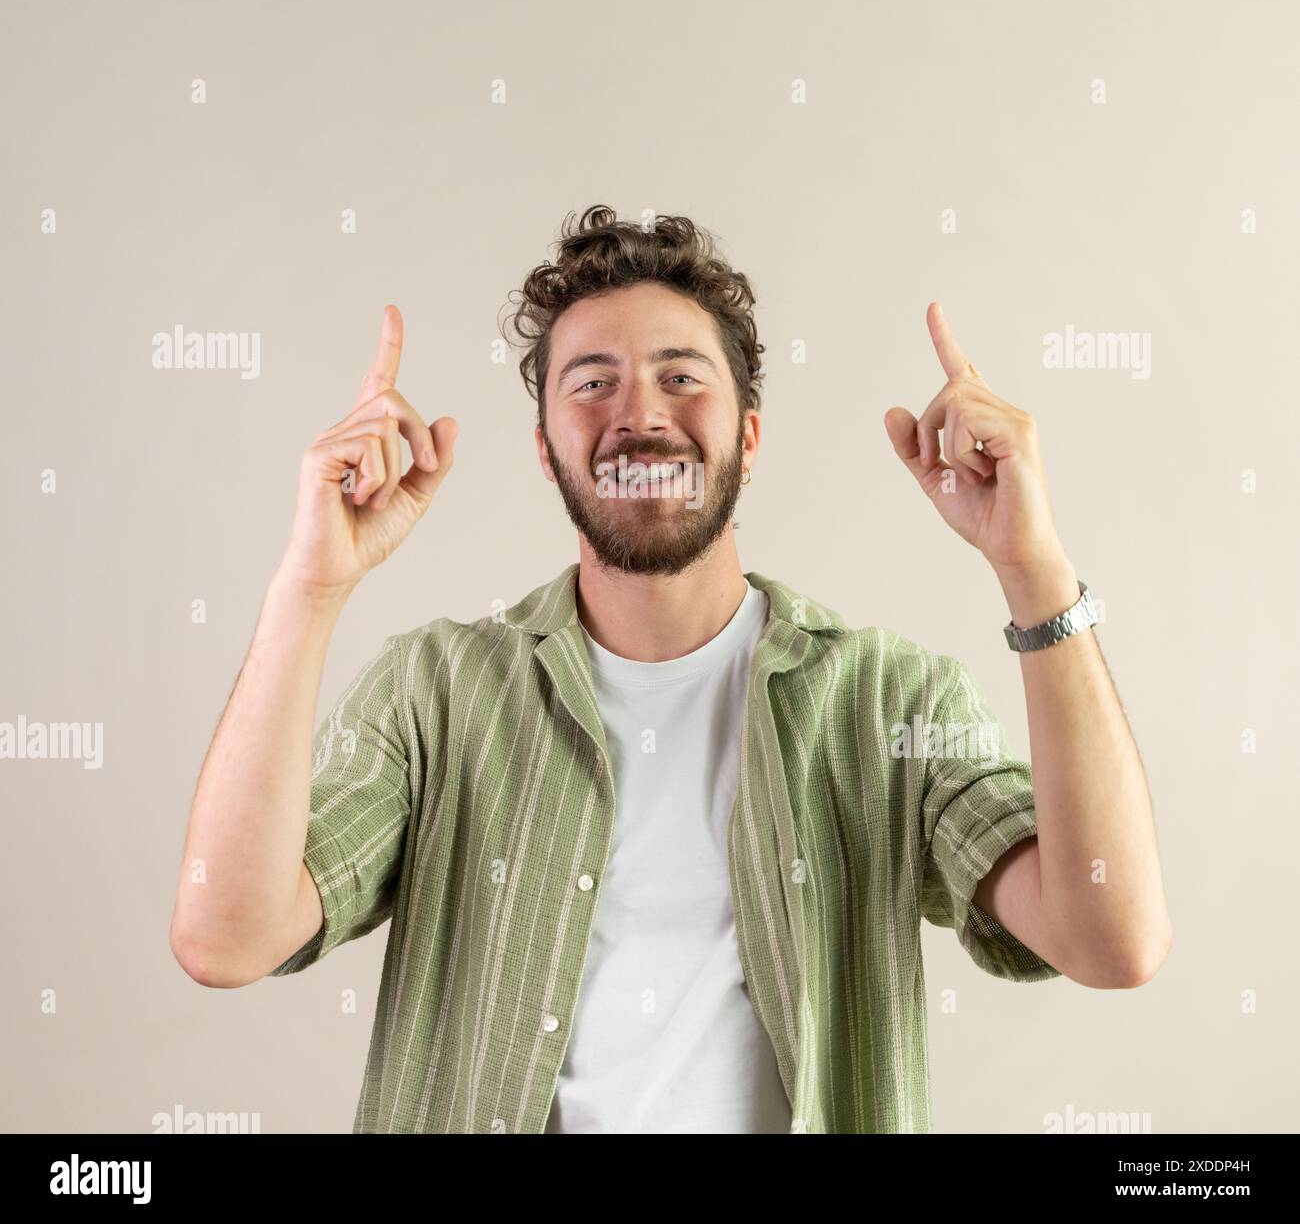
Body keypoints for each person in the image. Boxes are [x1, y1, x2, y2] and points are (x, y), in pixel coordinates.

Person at [169, 204, 1172, 1134]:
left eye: (682, 376)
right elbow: (225, 937)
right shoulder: (437, 691)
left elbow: (1111, 939)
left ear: (748, 435)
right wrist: (309, 587)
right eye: (592, 381)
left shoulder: (887, 703)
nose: (638, 413)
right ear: (545, 446)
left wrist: (1032, 570)